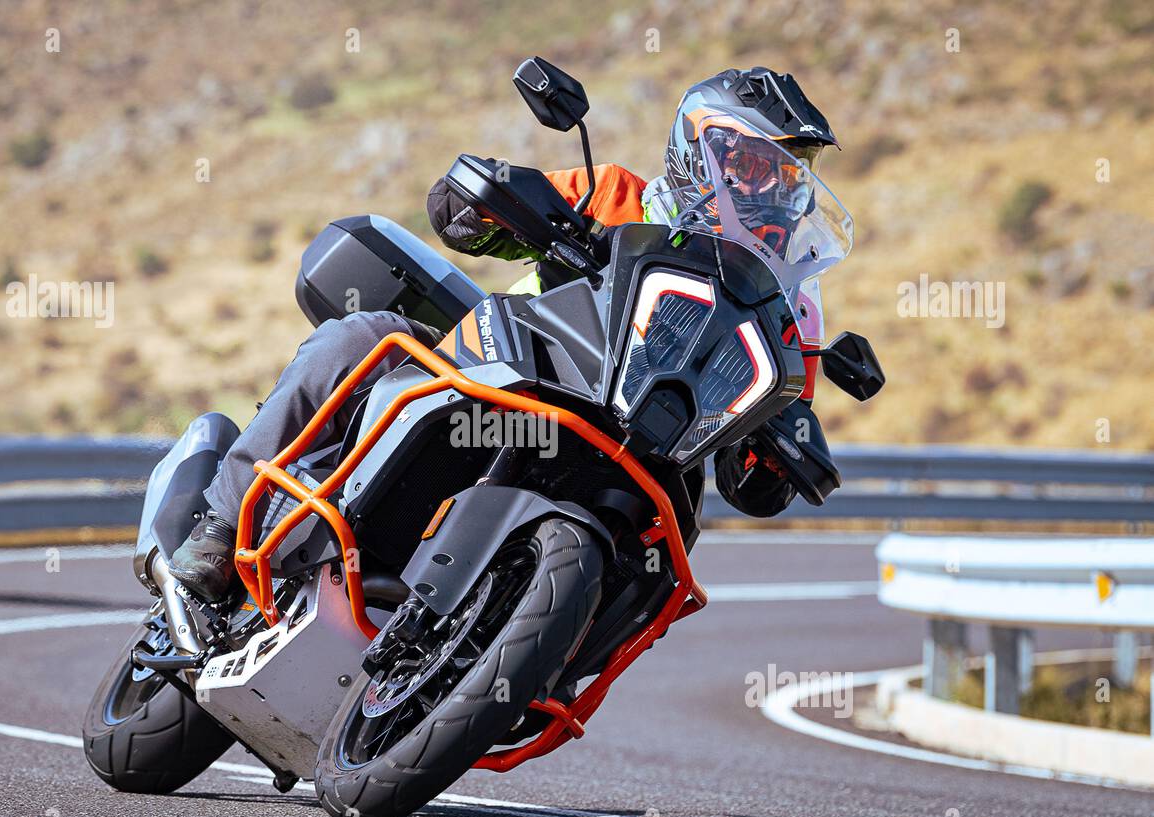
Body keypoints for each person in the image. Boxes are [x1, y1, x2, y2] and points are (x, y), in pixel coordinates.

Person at [171, 66, 839, 602]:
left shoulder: (789, 311)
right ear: (701, 151)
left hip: (635, 457)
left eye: (791, 170)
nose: (777, 184)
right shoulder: (618, 196)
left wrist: (777, 458)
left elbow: (754, 480)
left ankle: (541, 656)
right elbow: (455, 215)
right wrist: (493, 201)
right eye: (756, 163)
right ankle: (221, 525)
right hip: (503, 369)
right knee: (359, 339)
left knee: (660, 556)